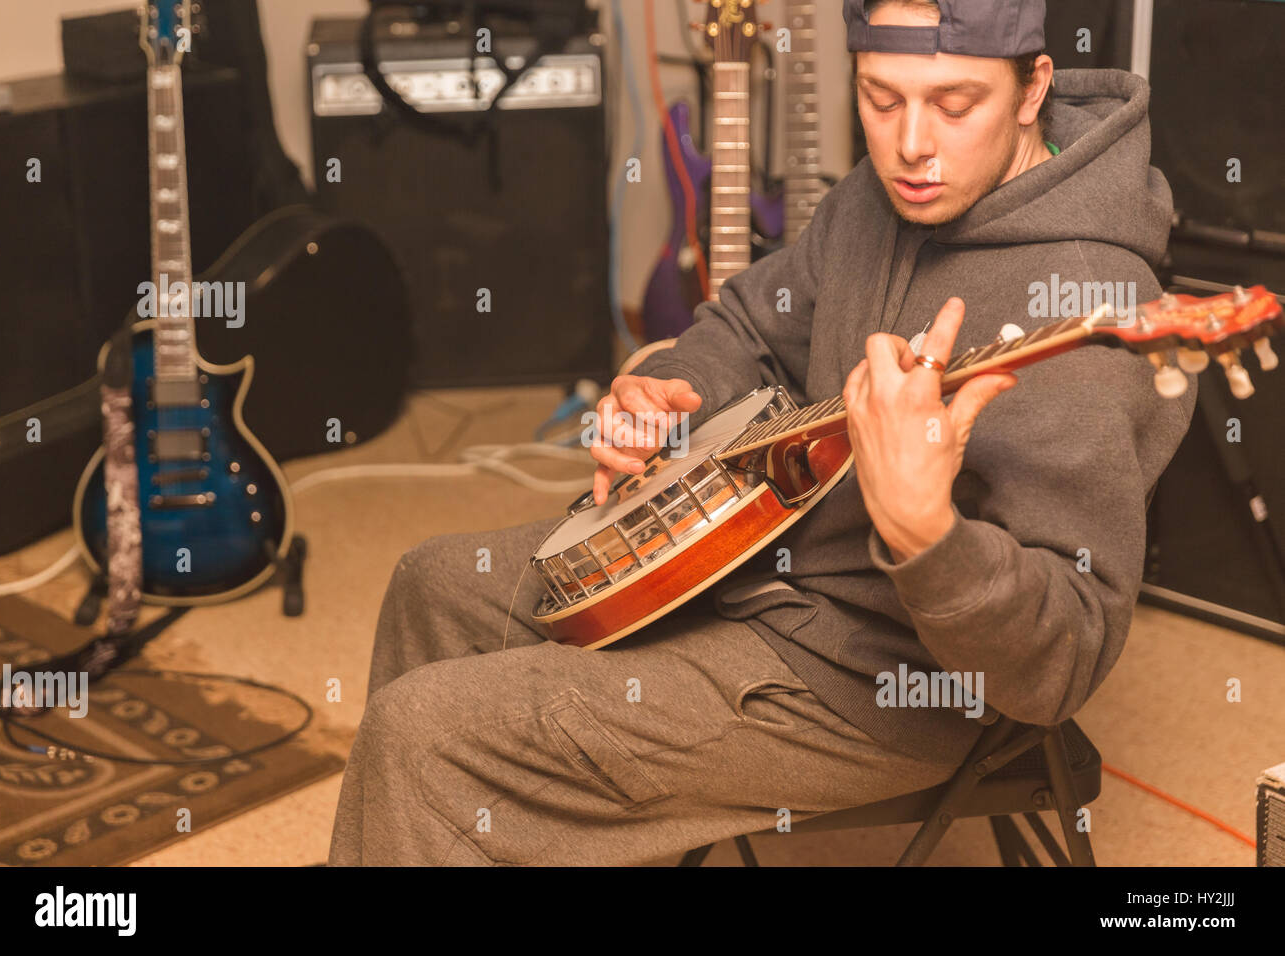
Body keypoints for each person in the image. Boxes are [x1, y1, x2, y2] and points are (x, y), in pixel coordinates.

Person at [328, 0, 1195, 866]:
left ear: (1031, 88)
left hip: (877, 684)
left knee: (419, 736)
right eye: (880, 98)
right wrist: (670, 393)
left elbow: (1061, 658)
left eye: (954, 104)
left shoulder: (1088, 308)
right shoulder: (876, 197)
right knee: (430, 582)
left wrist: (927, 533)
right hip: (756, 560)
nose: (911, 145)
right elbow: (749, 326)